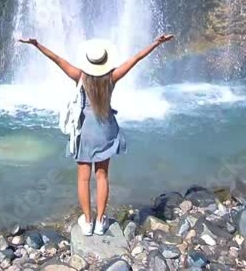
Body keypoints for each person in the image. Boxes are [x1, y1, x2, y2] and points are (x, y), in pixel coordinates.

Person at [18, 34, 175, 235]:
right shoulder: (112, 78)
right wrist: (156, 43)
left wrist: (37, 44)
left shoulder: (79, 77)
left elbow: (57, 60)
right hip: (106, 130)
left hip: (85, 132)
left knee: (83, 179)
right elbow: (135, 59)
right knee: (102, 177)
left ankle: (88, 222)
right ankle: (101, 221)